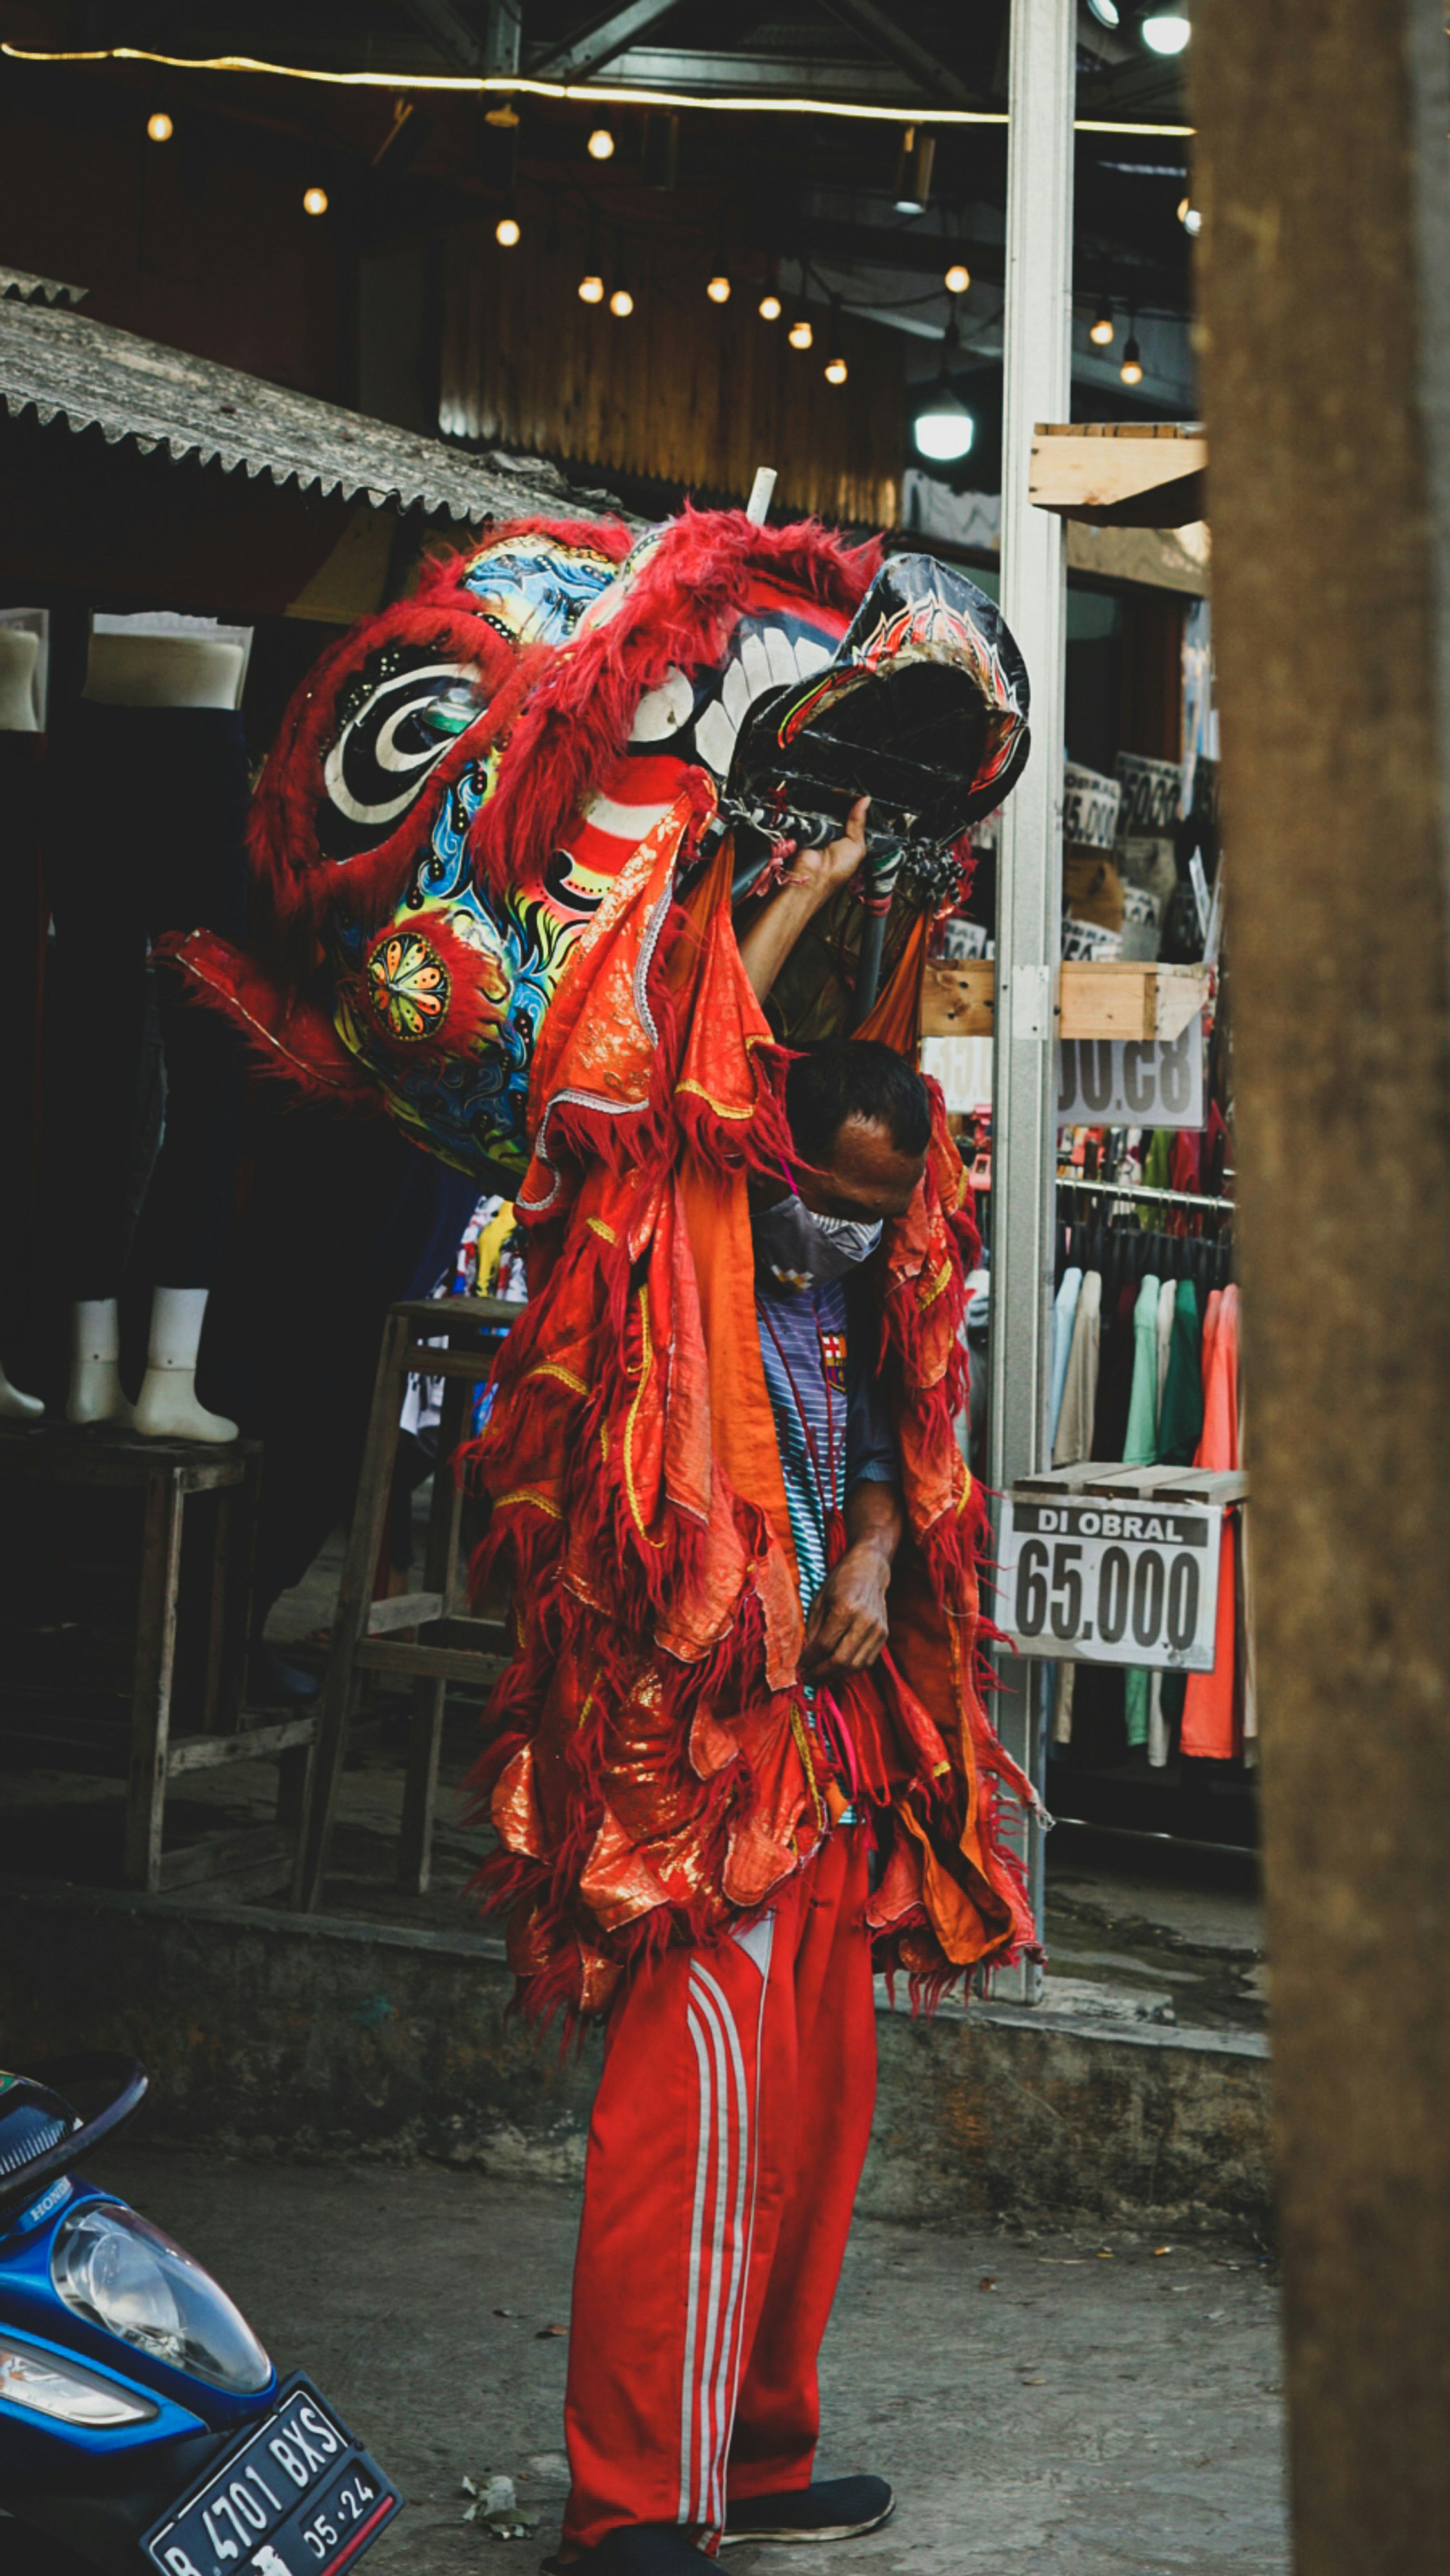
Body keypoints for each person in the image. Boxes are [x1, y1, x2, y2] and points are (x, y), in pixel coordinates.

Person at [553, 800, 932, 2572]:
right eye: (832, 1199)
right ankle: (639, 2498)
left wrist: (865, 1548)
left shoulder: (850, 1278)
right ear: (775, 1156)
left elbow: (883, 1406)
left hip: (827, 1737)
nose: (853, 1235)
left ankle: (764, 2449)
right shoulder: (686, 1223)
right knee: (689, 2109)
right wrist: (796, 897)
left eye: (882, 1212)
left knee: (818, 2110)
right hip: (695, 1748)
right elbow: (669, 1072)